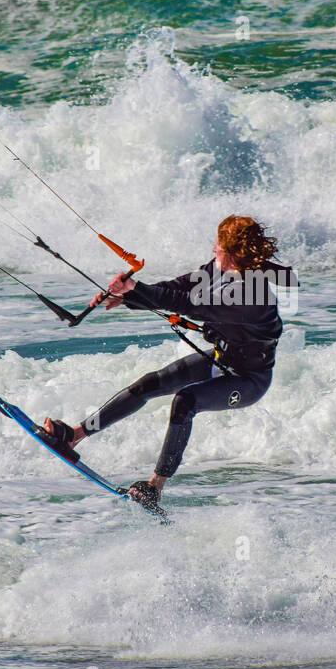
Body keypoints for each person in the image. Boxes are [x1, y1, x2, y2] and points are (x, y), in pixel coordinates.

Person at [42, 216, 297, 511]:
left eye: (218, 244)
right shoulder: (217, 271)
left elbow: (191, 305)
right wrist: (128, 297)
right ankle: (74, 436)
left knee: (185, 401)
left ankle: (154, 488)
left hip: (249, 379)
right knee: (147, 385)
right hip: (220, 359)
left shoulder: (251, 294)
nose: (213, 248)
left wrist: (135, 289)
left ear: (232, 250)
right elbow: (179, 288)